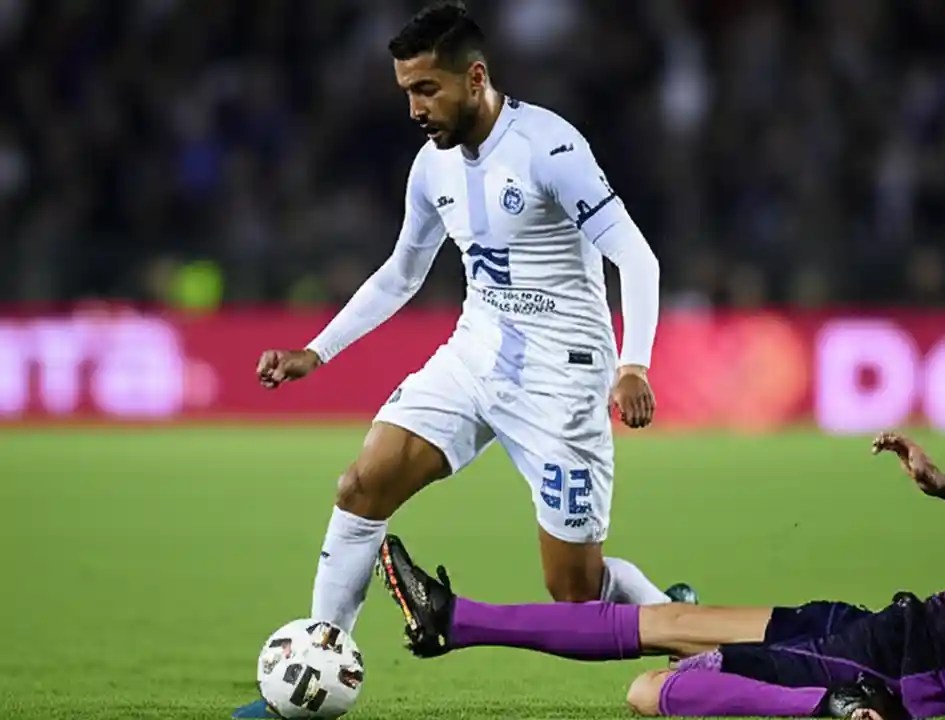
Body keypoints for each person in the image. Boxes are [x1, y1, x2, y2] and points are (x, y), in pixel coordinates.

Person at [235, 2, 691, 716]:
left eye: (426, 90)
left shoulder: (549, 147)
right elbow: (400, 274)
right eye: (406, 92)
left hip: (561, 380)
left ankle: (672, 614)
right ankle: (316, 662)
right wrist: (315, 351)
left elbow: (635, 256)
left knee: (574, 595)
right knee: (361, 485)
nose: (414, 107)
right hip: (473, 355)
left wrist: (634, 364)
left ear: (474, 77)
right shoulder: (431, 167)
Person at [377, 357, 945, 719]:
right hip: (906, 629)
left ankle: (833, 713)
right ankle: (455, 620)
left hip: (917, 673)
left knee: (652, 693)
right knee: (680, 625)